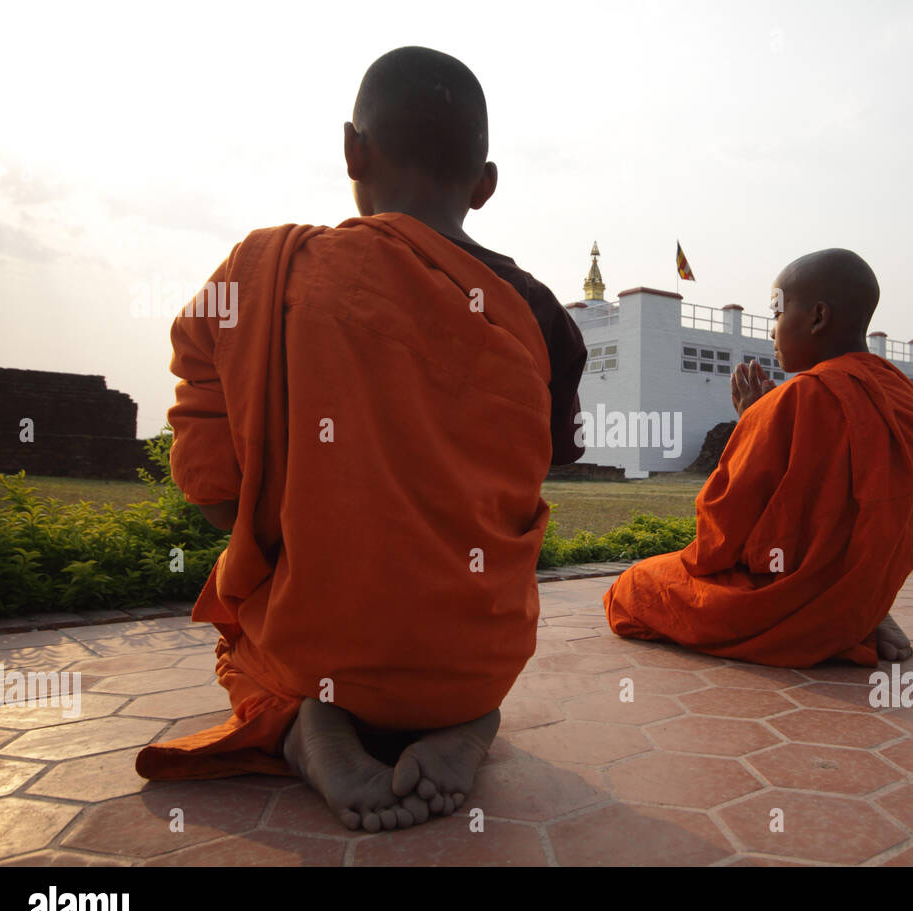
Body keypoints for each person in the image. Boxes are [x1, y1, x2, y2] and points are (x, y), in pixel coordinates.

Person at [135, 47, 586, 833]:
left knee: (241, 638)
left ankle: (308, 724)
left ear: (352, 150)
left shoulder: (262, 270)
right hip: (474, 652)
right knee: (482, 657)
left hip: (323, 643)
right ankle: (470, 718)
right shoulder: (539, 314)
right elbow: (528, 480)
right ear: (484, 185)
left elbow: (211, 493)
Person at [603, 248, 913, 667]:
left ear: (817, 318)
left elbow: (720, 536)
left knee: (633, 588)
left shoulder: (795, 399)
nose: (772, 331)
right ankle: (859, 617)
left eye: (777, 314)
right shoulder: (900, 394)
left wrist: (757, 421)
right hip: (865, 590)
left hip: (782, 597)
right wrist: (759, 420)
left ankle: (831, 621)